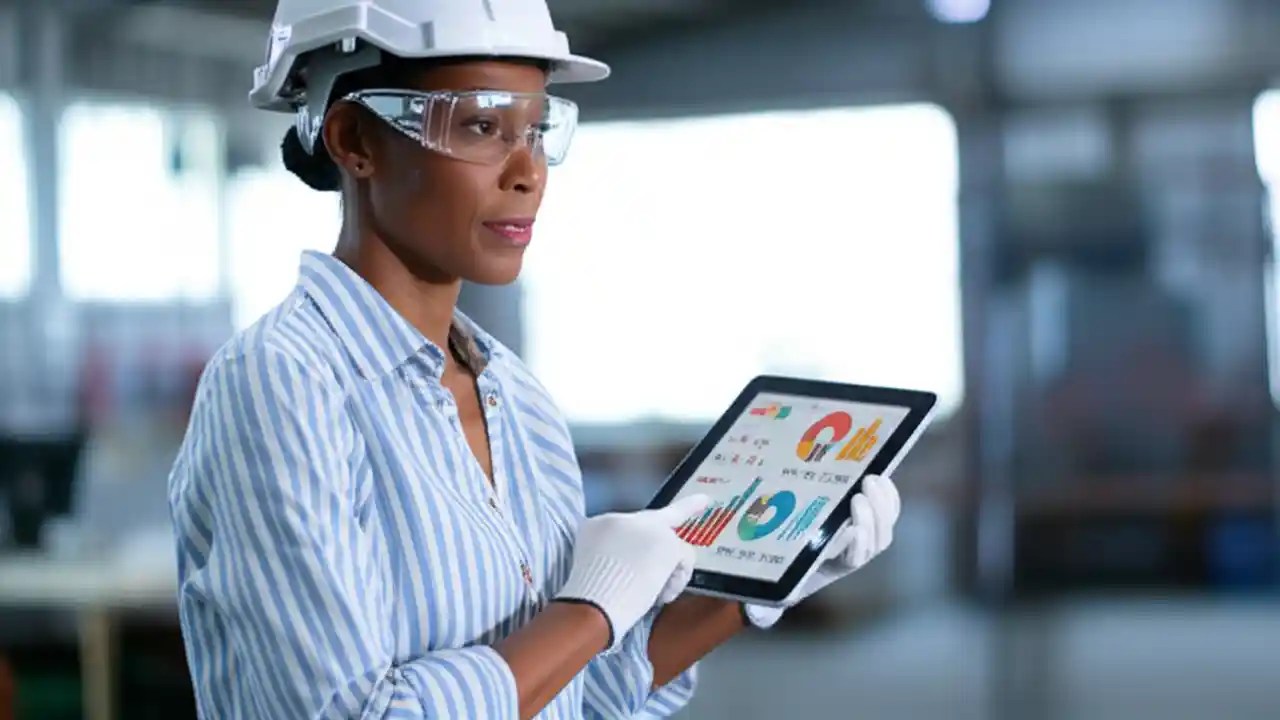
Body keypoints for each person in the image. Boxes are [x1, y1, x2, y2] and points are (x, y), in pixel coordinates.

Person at [167, 1, 904, 718]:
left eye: (538, 128)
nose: (529, 172)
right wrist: (590, 608)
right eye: (483, 126)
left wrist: (755, 587)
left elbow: (582, 697)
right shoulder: (280, 384)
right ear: (354, 139)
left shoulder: (516, 400)